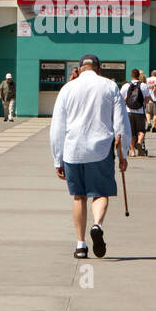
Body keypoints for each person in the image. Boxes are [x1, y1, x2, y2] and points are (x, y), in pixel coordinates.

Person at [51, 53, 129, 260]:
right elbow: (121, 123)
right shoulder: (110, 86)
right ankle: (97, 225)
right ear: (99, 68)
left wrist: (57, 158)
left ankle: (80, 245)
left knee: (79, 197)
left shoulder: (67, 89)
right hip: (101, 149)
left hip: (73, 150)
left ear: (79, 68)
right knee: (101, 193)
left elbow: (57, 126)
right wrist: (124, 154)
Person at [122, 68, 149, 156]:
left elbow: (120, 98)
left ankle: (132, 151)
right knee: (141, 131)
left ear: (131, 75)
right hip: (140, 112)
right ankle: (139, 142)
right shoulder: (144, 86)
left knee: (131, 133)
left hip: (129, 112)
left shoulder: (126, 86)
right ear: (139, 76)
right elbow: (147, 99)